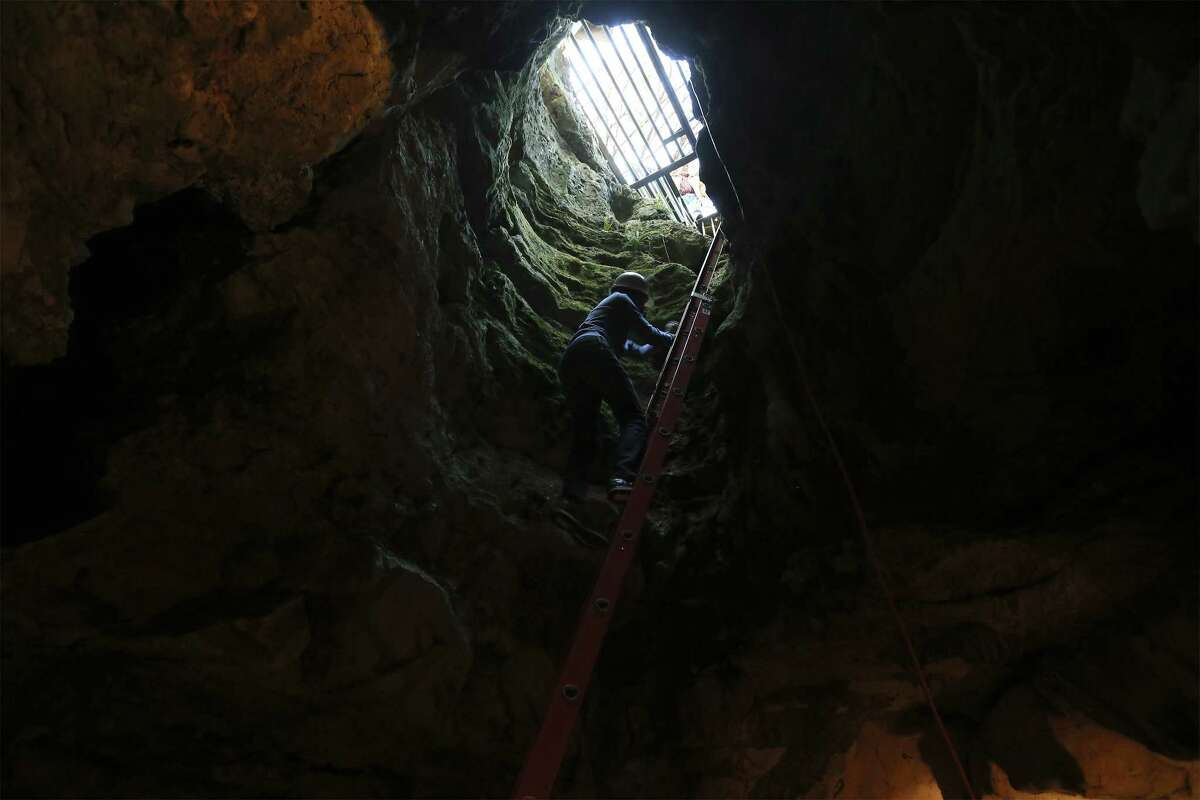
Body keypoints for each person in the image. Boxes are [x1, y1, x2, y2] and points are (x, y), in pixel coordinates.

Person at [559, 271, 675, 505]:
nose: (643, 307)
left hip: (572, 359)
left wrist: (664, 338)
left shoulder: (609, 318)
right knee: (633, 417)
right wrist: (673, 335)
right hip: (593, 347)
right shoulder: (622, 299)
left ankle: (573, 492)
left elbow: (640, 350)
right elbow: (648, 333)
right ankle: (622, 478)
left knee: (586, 431)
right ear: (638, 296)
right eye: (643, 302)